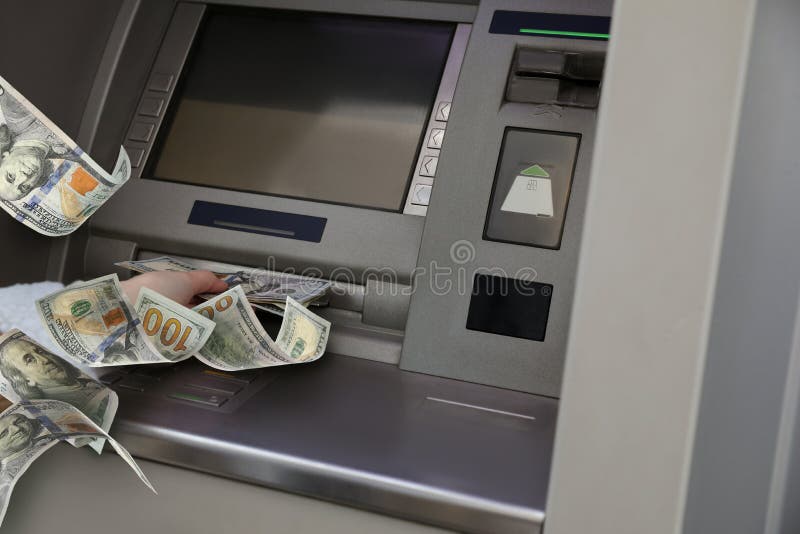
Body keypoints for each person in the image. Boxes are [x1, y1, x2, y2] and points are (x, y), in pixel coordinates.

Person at [0, 337, 109, 425]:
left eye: (40, 351)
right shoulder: (61, 412)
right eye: (30, 360)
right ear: (27, 380)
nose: (45, 360)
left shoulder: (86, 383)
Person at [0, 83, 81, 201]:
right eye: (24, 187)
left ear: (4, 156)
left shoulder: (15, 115)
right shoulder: (69, 155)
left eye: (10, 176)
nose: (24, 177)